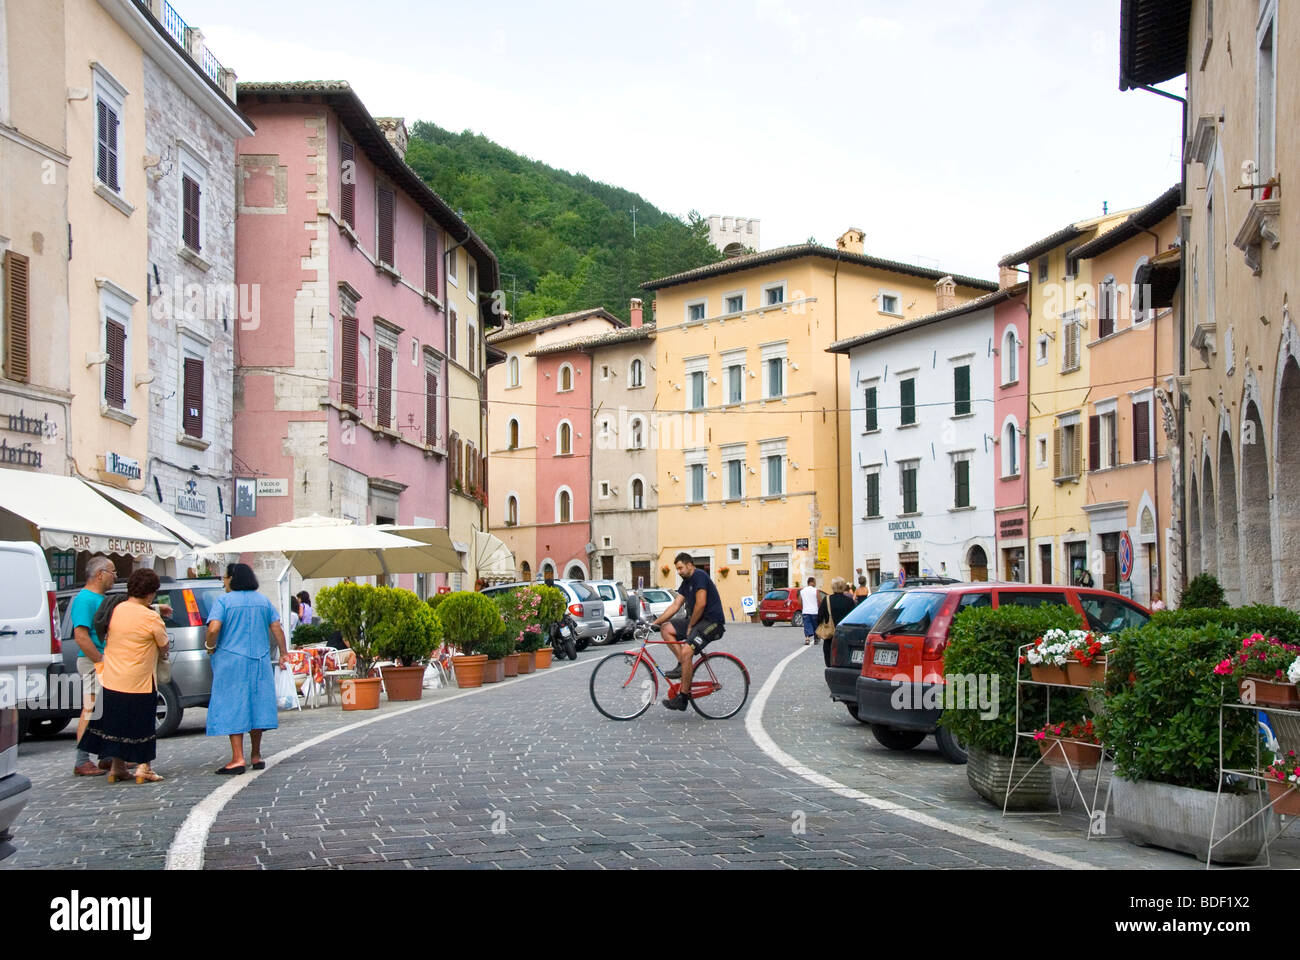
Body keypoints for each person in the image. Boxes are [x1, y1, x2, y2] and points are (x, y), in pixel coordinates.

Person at [77, 569, 170, 784]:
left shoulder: (116, 610)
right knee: (142, 725)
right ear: (150, 593)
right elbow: (163, 647)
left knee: (116, 726)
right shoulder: (150, 617)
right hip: (140, 681)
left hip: (112, 679)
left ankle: (117, 768)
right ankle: (144, 768)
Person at [207, 564, 288, 774]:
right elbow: (277, 628)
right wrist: (283, 653)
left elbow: (214, 627)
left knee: (233, 706)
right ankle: (256, 755)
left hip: (231, 662)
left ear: (233, 578)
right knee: (257, 705)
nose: (223, 582)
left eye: (224, 578)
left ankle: (237, 758)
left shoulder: (223, 601)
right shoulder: (263, 600)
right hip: (259, 660)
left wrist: (209, 645)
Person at [651, 553, 726, 711]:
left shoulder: (699, 576)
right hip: (698, 622)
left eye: (680, 568)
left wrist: (691, 626)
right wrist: (655, 623)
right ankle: (683, 666)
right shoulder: (686, 583)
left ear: (690, 565)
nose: (678, 571)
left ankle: (683, 698)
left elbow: (701, 604)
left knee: (687, 651)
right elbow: (675, 606)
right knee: (666, 629)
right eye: (677, 569)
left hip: (712, 622)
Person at [70, 556, 116, 777]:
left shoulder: (99, 598)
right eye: (112, 572)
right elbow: (81, 635)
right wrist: (99, 660)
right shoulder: (85, 599)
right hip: (93, 660)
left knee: (104, 710)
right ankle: (82, 760)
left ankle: (106, 757)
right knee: (91, 708)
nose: (115, 576)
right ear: (100, 574)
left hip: (101, 659)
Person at [817, 577, 856, 645]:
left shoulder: (827, 600)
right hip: (845, 634)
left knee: (829, 654)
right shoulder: (849, 601)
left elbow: (819, 617)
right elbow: (854, 617)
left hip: (830, 634)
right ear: (843, 587)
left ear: (832, 587)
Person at [799, 576, 821, 645]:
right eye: (815, 582)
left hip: (805, 611)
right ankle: (816, 639)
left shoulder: (802, 591)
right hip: (814, 611)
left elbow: (799, 601)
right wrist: (819, 607)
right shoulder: (816, 590)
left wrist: (803, 607)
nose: (815, 583)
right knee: (815, 625)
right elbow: (819, 600)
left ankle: (807, 639)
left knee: (807, 625)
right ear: (812, 582)